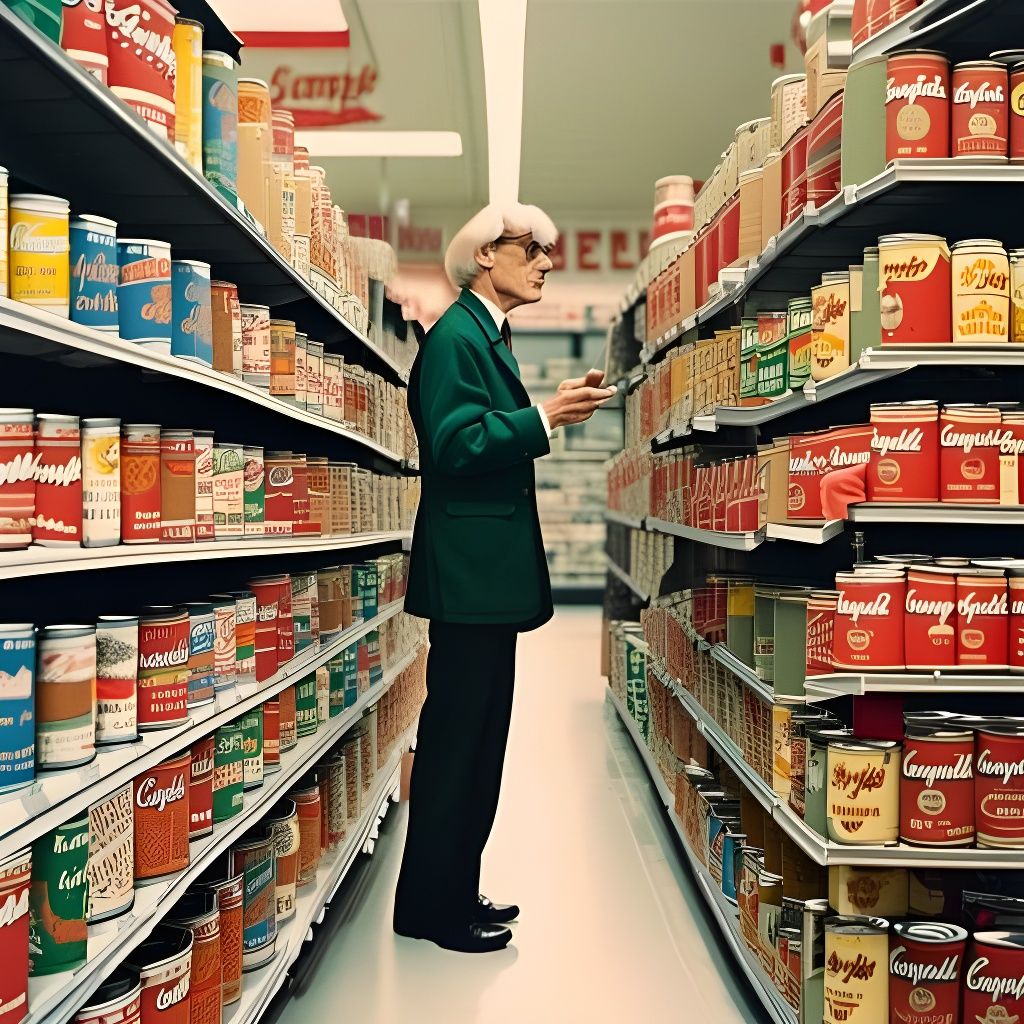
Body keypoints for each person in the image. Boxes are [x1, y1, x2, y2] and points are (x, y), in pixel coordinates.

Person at [394, 203, 616, 953]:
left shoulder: (485, 335)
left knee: (477, 741)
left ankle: (450, 891)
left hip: (484, 578)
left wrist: (553, 414)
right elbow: (455, 443)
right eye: (534, 249)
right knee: (460, 742)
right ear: (487, 254)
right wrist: (546, 417)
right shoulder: (457, 336)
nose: (547, 261)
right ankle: (433, 909)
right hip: (470, 579)